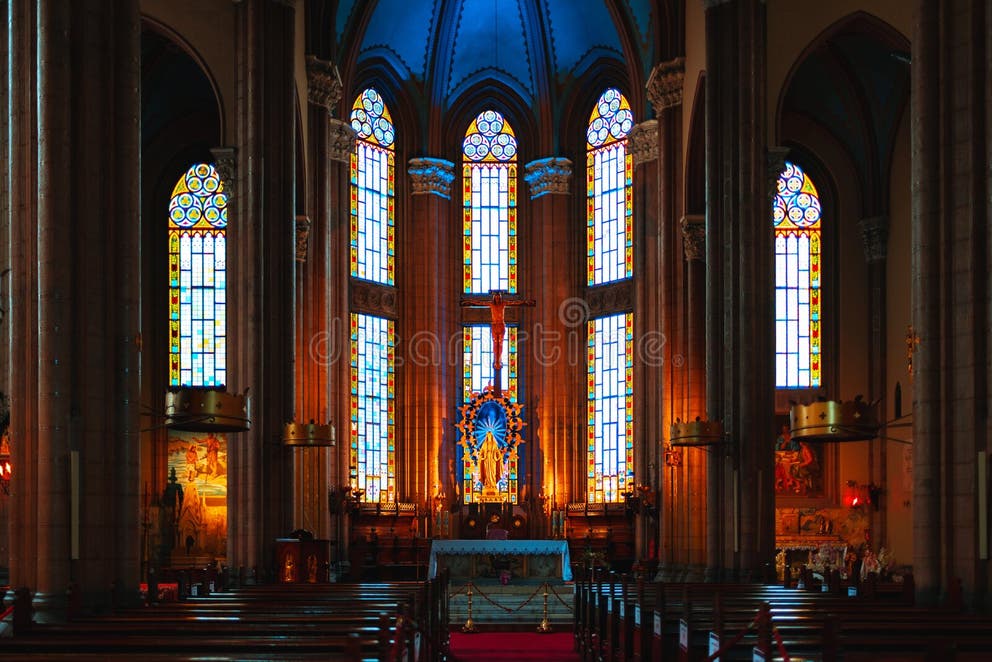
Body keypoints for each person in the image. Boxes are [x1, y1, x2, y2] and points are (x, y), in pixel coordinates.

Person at [461, 290, 535, 371]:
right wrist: (469, 302)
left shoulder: (503, 303)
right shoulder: (491, 304)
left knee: (500, 343)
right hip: (494, 325)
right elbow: (479, 303)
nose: (497, 299)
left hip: (501, 324)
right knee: (495, 343)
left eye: (498, 297)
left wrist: (525, 302)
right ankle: (496, 360)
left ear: (500, 297)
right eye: (496, 297)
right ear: (494, 298)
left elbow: (514, 302)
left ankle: (499, 359)